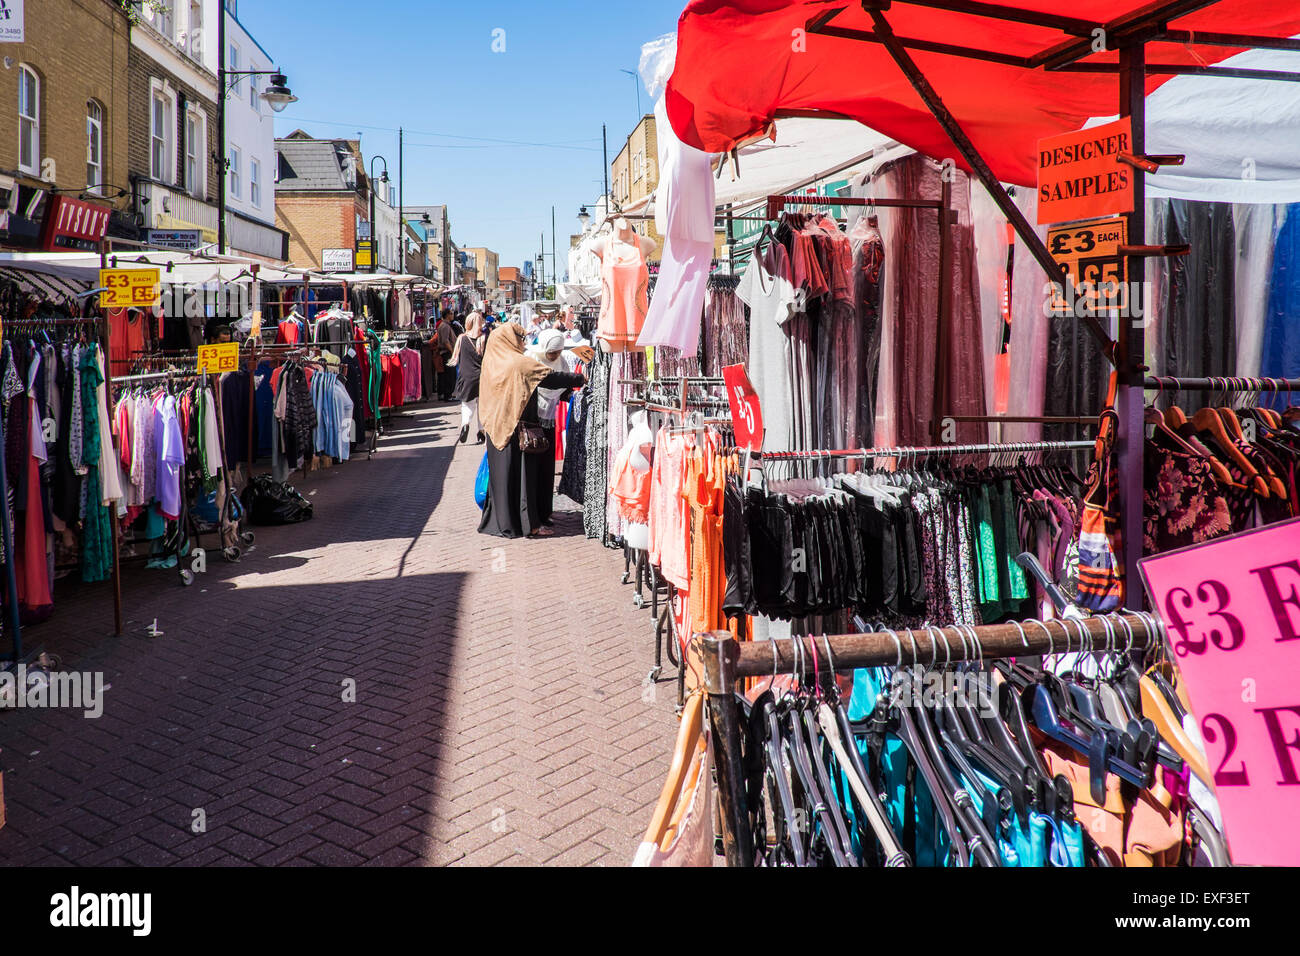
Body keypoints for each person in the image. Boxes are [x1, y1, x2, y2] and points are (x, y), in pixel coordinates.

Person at [477, 323, 585, 539]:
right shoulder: (518, 362)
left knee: (504, 478)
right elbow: (550, 377)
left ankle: (505, 522)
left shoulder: (493, 361)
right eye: (519, 338)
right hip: (516, 428)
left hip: (497, 427)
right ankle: (530, 525)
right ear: (508, 340)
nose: (522, 342)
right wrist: (580, 379)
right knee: (524, 477)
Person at [528, 330, 592, 526]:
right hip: (531, 420)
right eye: (552, 353)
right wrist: (578, 379)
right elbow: (550, 379)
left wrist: (573, 396)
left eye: (557, 352)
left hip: (549, 418)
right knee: (534, 468)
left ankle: (545, 511)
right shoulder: (531, 359)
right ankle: (534, 513)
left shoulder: (562, 361)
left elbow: (562, 388)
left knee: (547, 468)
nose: (554, 356)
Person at [448, 311, 486, 444]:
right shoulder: (484, 339)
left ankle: (465, 424)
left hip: (466, 376)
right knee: (482, 406)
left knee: (467, 405)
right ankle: (481, 432)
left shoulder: (461, 338)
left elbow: (455, 358)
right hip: (482, 376)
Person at [434, 309, 457, 400]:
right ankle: (448, 395)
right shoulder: (445, 326)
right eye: (451, 313)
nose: (453, 315)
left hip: (447, 353)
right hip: (447, 353)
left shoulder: (445, 325)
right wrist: (452, 351)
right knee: (450, 375)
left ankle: (448, 394)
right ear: (447, 315)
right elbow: (445, 341)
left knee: (449, 374)